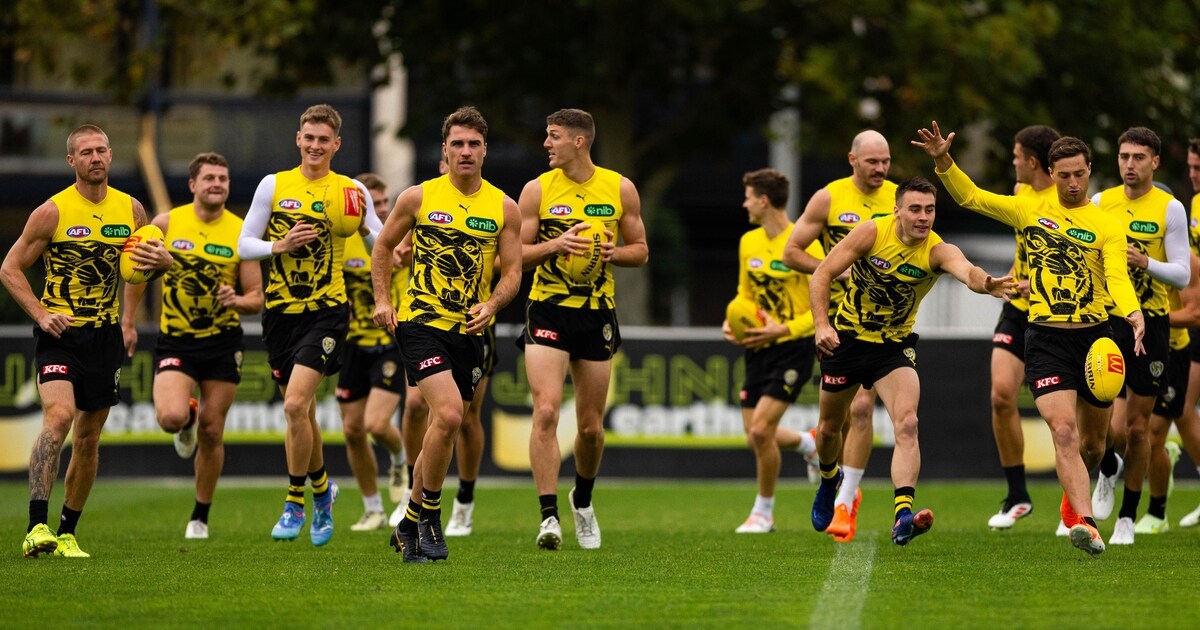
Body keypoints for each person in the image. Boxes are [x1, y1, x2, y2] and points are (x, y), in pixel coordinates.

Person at [915, 121, 1145, 557]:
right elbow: (972, 197)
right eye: (1065, 175)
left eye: (1080, 174)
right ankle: (1087, 524)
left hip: (1096, 340)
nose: (1073, 183)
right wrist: (943, 161)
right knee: (1062, 430)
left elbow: (1116, 275)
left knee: (1095, 444)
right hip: (1045, 339)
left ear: (1090, 170)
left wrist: (1133, 312)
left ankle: (1072, 500)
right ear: (1052, 174)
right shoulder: (1027, 208)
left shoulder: (1106, 225)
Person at [809, 176, 1012, 547]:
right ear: (897, 210)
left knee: (907, 423)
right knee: (828, 429)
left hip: (893, 347)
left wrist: (987, 283)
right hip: (848, 340)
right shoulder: (870, 233)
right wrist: (822, 324)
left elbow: (966, 271)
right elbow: (822, 273)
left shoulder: (936, 250)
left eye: (930, 210)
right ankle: (828, 482)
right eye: (915, 209)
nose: (923, 217)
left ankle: (903, 515)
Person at [2, 124, 174, 558]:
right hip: (61, 335)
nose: (95, 158)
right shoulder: (52, 212)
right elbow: (9, 268)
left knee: (89, 437)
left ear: (111, 156)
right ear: (71, 161)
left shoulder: (132, 210)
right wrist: (42, 314)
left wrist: (163, 263)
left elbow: (141, 269)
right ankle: (36, 526)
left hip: (105, 335)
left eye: (101, 150)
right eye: (86, 152)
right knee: (59, 418)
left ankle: (67, 533)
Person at [372, 106, 522, 563]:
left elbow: (513, 272)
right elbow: (381, 246)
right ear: (444, 150)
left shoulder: (504, 206)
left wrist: (493, 304)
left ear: (484, 151)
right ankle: (433, 518)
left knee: (445, 425)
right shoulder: (418, 197)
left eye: (473, 144)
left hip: (470, 330)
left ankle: (410, 520)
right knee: (452, 415)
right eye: (457, 144)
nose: (465, 151)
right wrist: (383, 300)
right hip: (420, 324)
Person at [237, 104, 383, 546]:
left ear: (337, 144)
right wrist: (279, 245)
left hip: (328, 311)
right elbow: (244, 245)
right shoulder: (274, 185)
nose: (316, 146)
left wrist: (377, 235)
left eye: (325, 139)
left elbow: (379, 236)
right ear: (298, 139)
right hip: (280, 313)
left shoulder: (350, 189)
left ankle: (294, 501)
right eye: (309, 137)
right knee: (303, 414)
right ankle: (325, 493)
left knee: (295, 406)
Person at [518, 108, 649, 550]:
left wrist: (609, 252)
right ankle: (548, 516)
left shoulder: (619, 188)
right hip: (548, 309)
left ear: (579, 141)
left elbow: (641, 251)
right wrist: (556, 245)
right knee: (547, 411)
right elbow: (512, 254)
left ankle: (583, 500)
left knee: (590, 428)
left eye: (553, 136)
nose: (546, 144)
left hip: (596, 313)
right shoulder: (536, 190)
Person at [120, 152, 263, 540]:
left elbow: (257, 297)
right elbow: (136, 272)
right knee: (170, 418)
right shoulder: (166, 224)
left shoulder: (241, 233)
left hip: (222, 342)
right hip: (177, 339)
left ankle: (200, 515)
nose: (217, 183)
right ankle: (187, 416)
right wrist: (128, 321)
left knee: (213, 433)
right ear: (193, 185)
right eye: (210, 178)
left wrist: (237, 300)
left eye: (223, 178)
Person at [782, 130, 897, 542]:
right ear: (853, 160)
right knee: (833, 423)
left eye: (885, 161)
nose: (881, 169)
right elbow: (791, 252)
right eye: (872, 162)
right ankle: (829, 480)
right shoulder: (828, 198)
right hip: (837, 322)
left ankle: (846, 499)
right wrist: (835, 269)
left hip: (883, 324)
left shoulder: (900, 201)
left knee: (864, 410)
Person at [1089, 127, 1189, 545]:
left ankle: (1129, 517)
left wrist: (1144, 261)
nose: (1130, 165)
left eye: (1139, 158)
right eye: (1124, 157)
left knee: (1139, 429)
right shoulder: (1099, 202)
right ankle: (1108, 467)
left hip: (1152, 322)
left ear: (1154, 162)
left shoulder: (1170, 208)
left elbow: (1182, 273)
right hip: (1109, 320)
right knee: (1107, 430)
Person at [724, 168, 821, 533]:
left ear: (763, 200)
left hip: (793, 346)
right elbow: (744, 294)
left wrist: (786, 328)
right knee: (755, 435)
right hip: (759, 345)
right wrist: (731, 319)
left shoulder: (804, 241)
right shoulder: (748, 241)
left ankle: (763, 513)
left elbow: (821, 306)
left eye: (748, 196)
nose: (744, 203)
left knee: (762, 431)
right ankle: (807, 443)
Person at [986, 125, 1062, 530]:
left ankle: (1078, 497)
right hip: (1017, 308)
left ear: (1032, 161)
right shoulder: (1020, 194)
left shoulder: (1066, 200)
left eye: (1016, 155)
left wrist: (1042, 284)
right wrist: (1015, 277)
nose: (1012, 161)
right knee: (1000, 396)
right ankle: (1017, 495)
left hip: (1059, 314)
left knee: (1069, 419)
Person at [336, 172, 407, 532]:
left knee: (376, 424)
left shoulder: (400, 236)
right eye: (372, 204)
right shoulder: (343, 238)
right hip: (352, 345)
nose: (380, 209)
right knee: (352, 431)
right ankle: (373, 508)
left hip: (390, 342)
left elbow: (403, 256)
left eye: (383, 203)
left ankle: (399, 458)